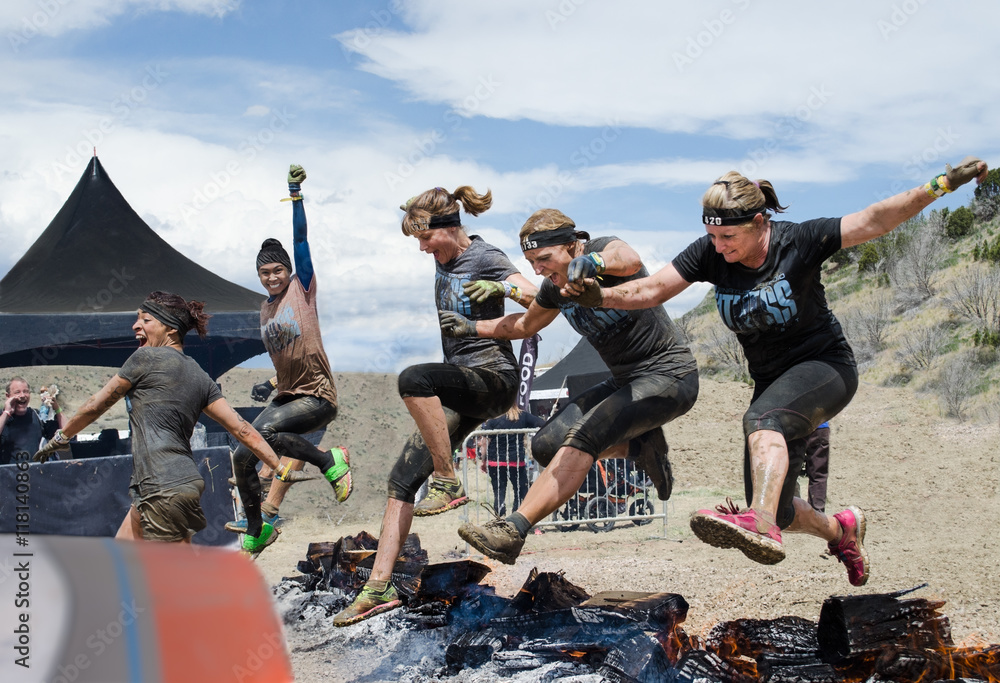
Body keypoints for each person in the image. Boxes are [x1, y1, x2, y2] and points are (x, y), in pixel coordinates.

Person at [566, 156, 988, 586]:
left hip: (825, 368)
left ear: (760, 222)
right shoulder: (709, 255)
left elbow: (875, 220)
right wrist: (598, 297)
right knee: (784, 509)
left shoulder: (800, 240)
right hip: (772, 384)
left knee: (761, 424)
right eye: (711, 235)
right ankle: (840, 530)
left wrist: (940, 185)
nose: (718, 246)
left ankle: (758, 522)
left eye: (728, 235)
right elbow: (652, 288)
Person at [441, 208, 699, 565]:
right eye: (530, 261)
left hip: (670, 375)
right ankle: (639, 444)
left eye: (543, 258)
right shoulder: (555, 288)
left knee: (585, 437)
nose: (537, 269)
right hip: (624, 381)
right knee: (546, 446)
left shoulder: (601, 251)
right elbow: (524, 326)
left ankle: (513, 530)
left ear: (571, 245)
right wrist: (472, 328)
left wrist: (593, 263)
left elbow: (628, 258)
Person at [332, 185, 537, 626]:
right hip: (461, 387)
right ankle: (378, 587)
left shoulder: (486, 258)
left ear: (450, 228)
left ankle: (448, 482)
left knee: (413, 378)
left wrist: (500, 287)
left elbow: (539, 302)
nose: (423, 249)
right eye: (418, 241)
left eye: (426, 239)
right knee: (401, 478)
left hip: (494, 379)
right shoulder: (441, 256)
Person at [32, 291, 295, 546]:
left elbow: (94, 406)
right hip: (174, 485)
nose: (136, 326)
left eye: (146, 320)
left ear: (170, 328)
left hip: (162, 487)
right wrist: (279, 467)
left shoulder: (144, 358)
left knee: (176, 579)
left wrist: (60, 438)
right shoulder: (200, 375)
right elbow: (242, 429)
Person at [228, 165, 353, 555]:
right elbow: (287, 357)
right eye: (264, 273)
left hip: (316, 396)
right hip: (286, 398)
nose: (272, 278)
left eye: (278, 270)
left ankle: (327, 460)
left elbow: (300, 239)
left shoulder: (302, 289)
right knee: (241, 456)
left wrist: (295, 195)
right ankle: (259, 526)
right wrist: (270, 384)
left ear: (289, 271)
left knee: (262, 437)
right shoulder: (265, 311)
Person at [476, 405, 546, 516]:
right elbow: (541, 423)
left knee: (499, 490)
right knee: (521, 490)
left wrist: (483, 459)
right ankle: (516, 515)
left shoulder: (493, 419)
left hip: (496, 460)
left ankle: (500, 515)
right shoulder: (523, 416)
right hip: (515, 459)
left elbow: (485, 442)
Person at [1, 378, 67, 465]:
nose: (22, 395)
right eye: (17, 392)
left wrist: (57, 408)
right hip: (8, 475)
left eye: (26, 391)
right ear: (8, 396)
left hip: (35, 474)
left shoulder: (37, 416)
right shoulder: (2, 417)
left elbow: (66, 433)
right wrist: (7, 412)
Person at [788, 421, 830, 513]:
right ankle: (817, 514)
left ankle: (792, 513)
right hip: (820, 427)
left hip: (795, 426)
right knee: (818, 475)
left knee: (790, 473)